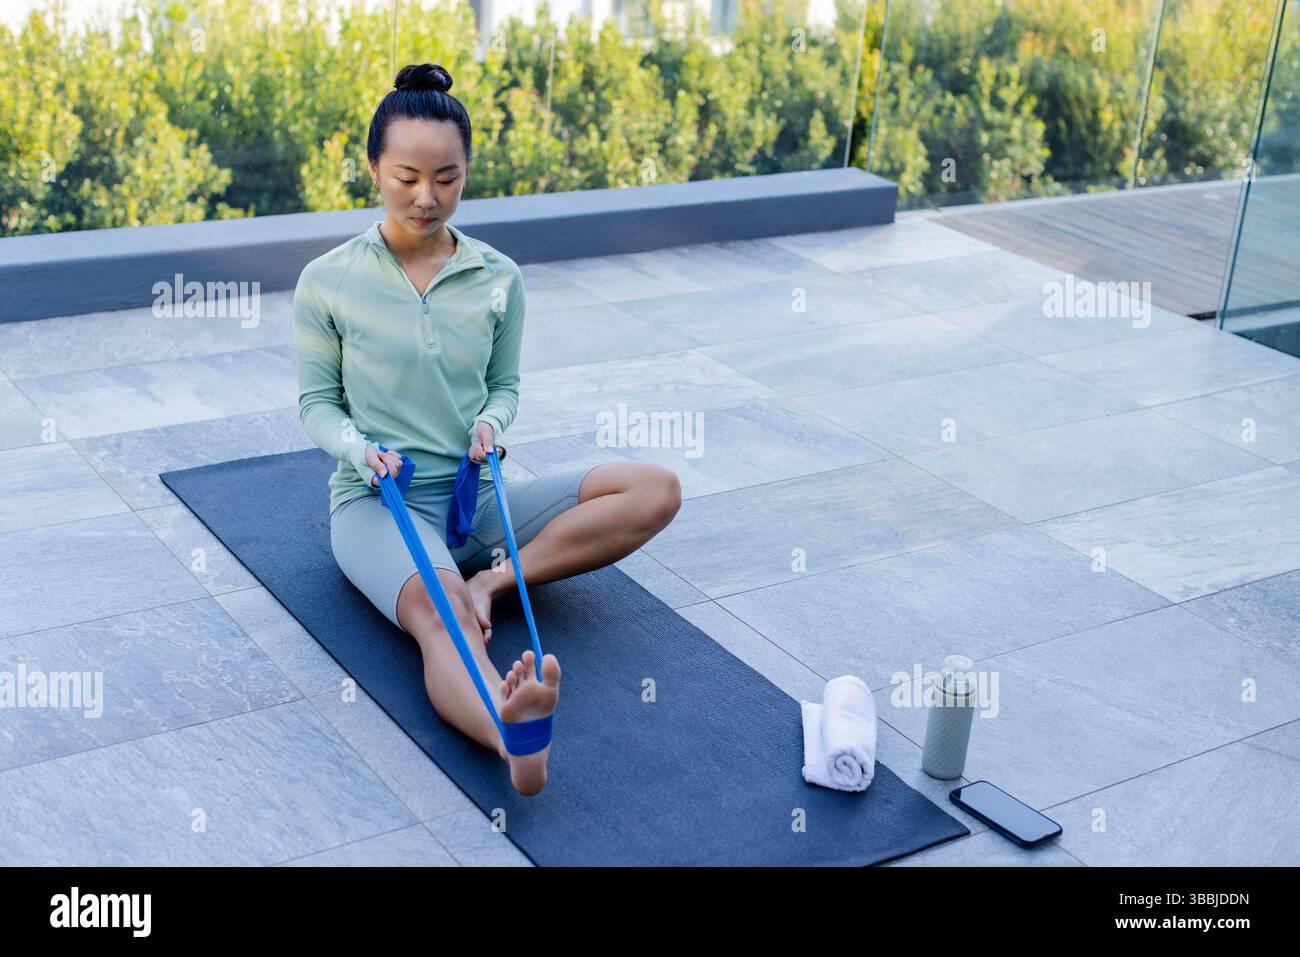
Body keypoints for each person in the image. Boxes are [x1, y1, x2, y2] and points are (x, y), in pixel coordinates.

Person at [293, 62, 682, 796]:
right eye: (406, 175)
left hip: (475, 502)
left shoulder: (498, 276)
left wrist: (491, 424)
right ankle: (514, 739)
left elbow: (504, 386)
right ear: (374, 168)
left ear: (467, 173)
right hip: (382, 506)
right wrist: (358, 448)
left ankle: (496, 580)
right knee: (445, 623)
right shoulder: (328, 280)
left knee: (655, 488)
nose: (426, 196)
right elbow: (317, 405)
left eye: (447, 177)